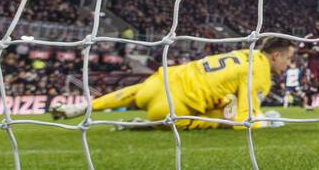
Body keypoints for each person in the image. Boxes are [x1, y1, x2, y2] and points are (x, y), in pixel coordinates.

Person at [51, 40, 294, 129]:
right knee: (222, 120)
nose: (288, 63)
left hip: (159, 82)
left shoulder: (245, 52)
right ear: (276, 56)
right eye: (288, 58)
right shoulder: (261, 71)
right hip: (171, 108)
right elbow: (244, 122)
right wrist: (265, 121)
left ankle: (83, 108)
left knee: (132, 94)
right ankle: (146, 126)